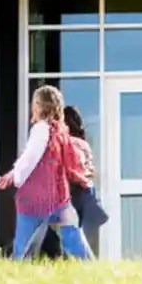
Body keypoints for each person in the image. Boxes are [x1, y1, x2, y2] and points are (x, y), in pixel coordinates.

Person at [0, 85, 92, 260]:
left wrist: (16, 177)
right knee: (73, 236)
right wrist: (13, 174)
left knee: (24, 243)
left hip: (36, 197)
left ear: (38, 106)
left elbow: (31, 157)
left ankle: (18, 267)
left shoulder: (41, 128)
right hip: (59, 196)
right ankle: (88, 265)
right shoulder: (61, 131)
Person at [39, 105, 107, 258]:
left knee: (56, 233)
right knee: (78, 237)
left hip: (68, 193)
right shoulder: (84, 144)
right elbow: (88, 170)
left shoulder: (63, 143)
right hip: (86, 195)